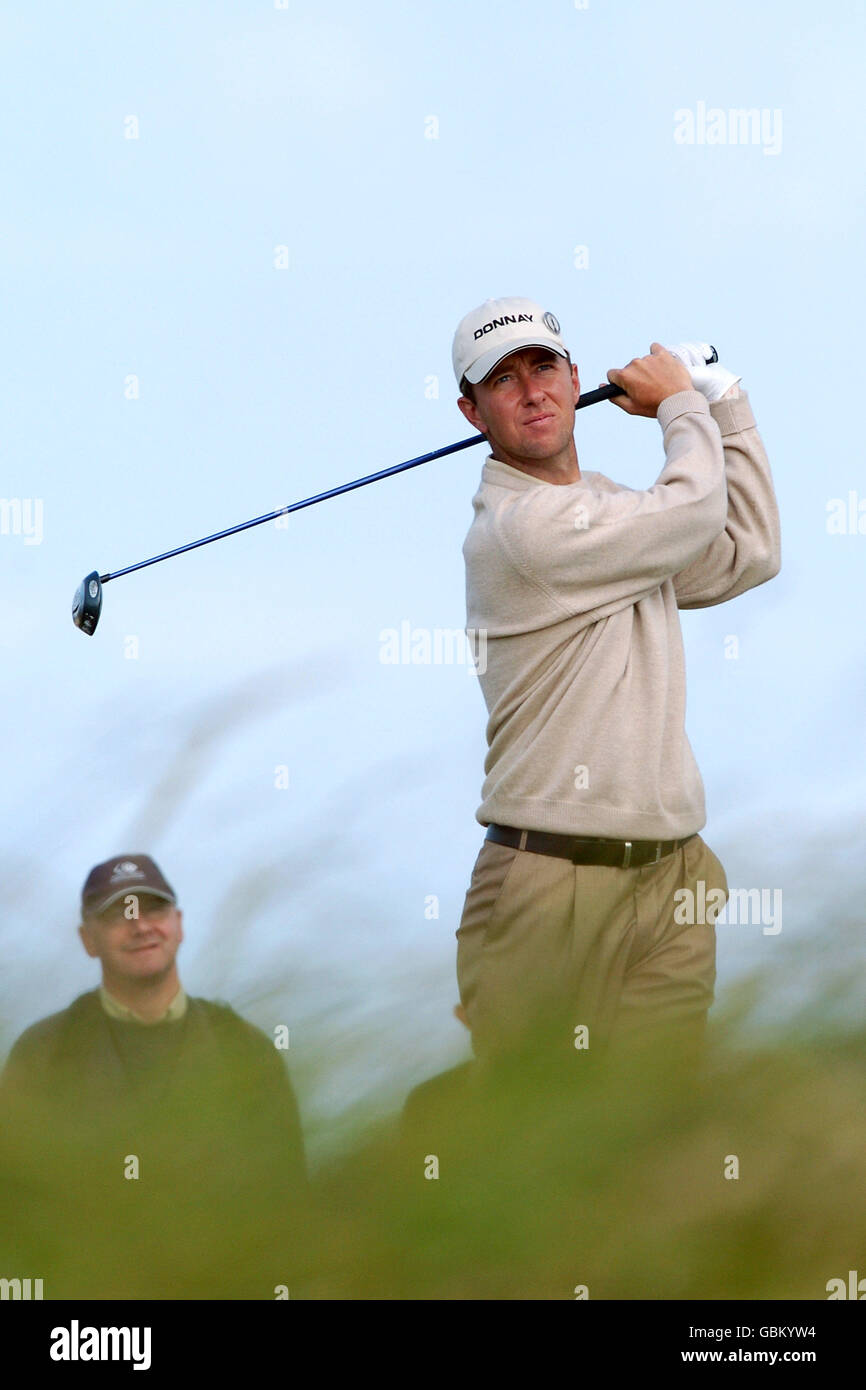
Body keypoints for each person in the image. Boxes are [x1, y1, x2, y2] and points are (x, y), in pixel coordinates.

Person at [451, 297, 780, 1069]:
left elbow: (747, 551)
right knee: (535, 1143)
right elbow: (691, 513)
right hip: (546, 880)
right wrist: (679, 405)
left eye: (543, 368)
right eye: (503, 381)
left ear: (573, 379)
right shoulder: (518, 531)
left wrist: (725, 401)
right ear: (472, 412)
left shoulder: (608, 511)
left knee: (656, 1137)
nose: (532, 392)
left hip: (671, 875)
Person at [0, 854, 308, 1298]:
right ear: (87, 939)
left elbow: (288, 1202)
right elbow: (13, 1212)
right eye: (118, 915)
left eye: (154, 909)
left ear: (179, 924)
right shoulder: (44, 1053)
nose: (141, 925)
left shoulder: (243, 1048)